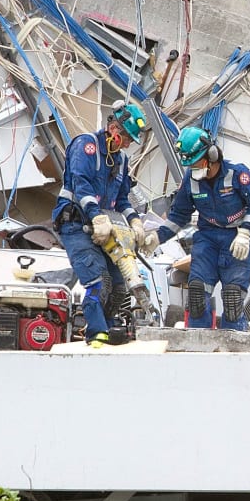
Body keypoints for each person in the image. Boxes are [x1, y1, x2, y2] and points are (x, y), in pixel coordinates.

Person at [142, 127, 250, 330]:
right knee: (197, 295)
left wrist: (245, 233)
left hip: (236, 240)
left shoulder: (238, 174)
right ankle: (198, 343)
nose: (193, 168)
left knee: (233, 298)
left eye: (197, 162)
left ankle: (234, 348)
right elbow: (178, 215)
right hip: (207, 239)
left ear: (212, 155)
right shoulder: (191, 180)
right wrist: (157, 237)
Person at [52, 101, 149, 348]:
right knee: (98, 280)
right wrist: (95, 215)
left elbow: (122, 199)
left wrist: (135, 221)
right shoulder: (86, 146)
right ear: (114, 129)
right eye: (127, 138)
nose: (128, 144)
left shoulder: (121, 161)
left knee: (118, 286)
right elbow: (81, 184)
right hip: (76, 224)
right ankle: (96, 334)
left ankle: (106, 328)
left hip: (105, 229)